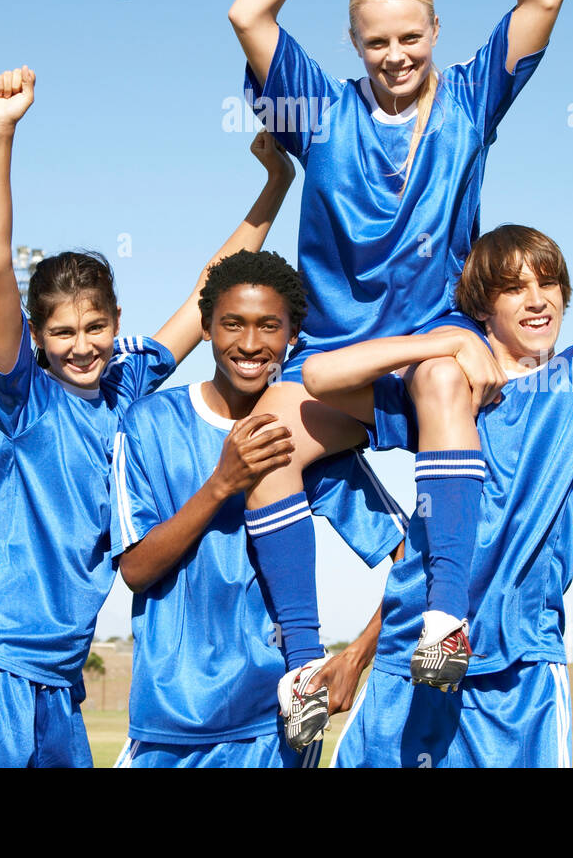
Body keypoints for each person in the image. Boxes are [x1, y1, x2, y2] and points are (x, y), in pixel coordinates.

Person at [227, 0, 565, 738]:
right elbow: (247, 12)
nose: (395, 54)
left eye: (410, 36)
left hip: (433, 372)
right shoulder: (319, 114)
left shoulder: (467, 103)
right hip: (338, 365)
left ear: (435, 33)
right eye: (376, 41)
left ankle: (443, 620)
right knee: (259, 442)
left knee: (448, 374)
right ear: (353, 47)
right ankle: (303, 662)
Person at [0, 66, 296, 768]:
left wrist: (274, 186)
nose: (82, 346)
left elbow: (210, 286)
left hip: (58, 680)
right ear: (37, 338)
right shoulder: (23, 398)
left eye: (95, 327)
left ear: (115, 322)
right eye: (64, 334)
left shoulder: (127, 384)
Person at [311, 61, 573, 767]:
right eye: (514, 288)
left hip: (517, 668)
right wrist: (439, 342)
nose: (537, 298)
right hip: (406, 663)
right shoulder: (441, 390)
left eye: (548, 282)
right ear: (483, 305)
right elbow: (319, 379)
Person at [110, 248, 405, 768]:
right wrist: (221, 484)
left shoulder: (306, 434)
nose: (250, 344)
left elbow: (409, 555)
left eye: (269, 326)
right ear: (205, 329)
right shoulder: (148, 423)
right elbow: (135, 570)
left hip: (277, 728)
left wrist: (357, 656)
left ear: (292, 336)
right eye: (233, 324)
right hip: (171, 724)